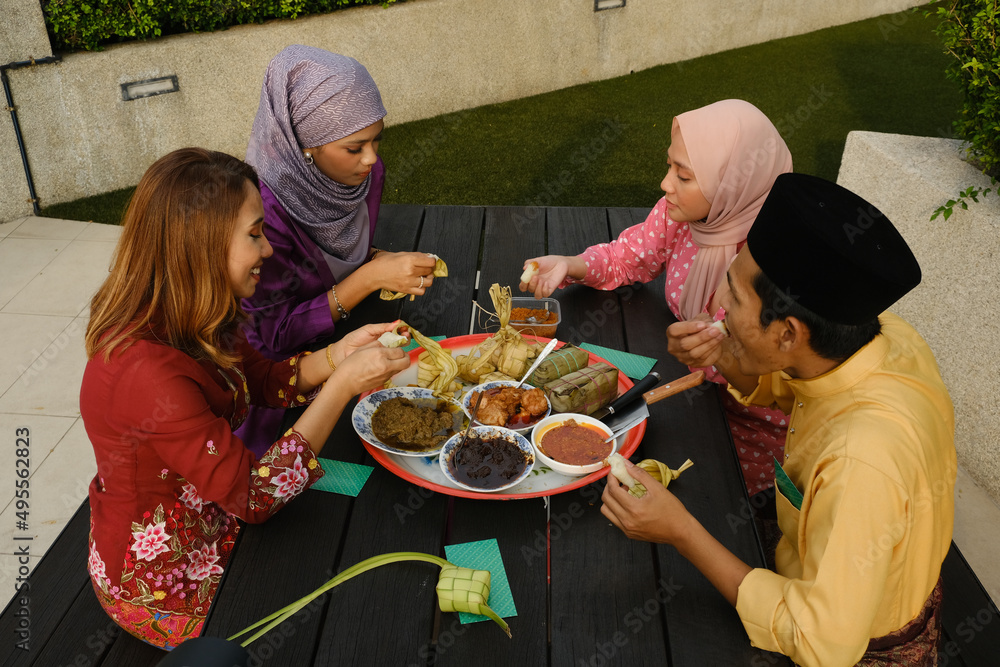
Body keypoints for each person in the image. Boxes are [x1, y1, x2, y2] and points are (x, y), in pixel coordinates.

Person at [602, 173, 956, 666]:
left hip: (851, 637)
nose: (720, 305)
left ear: (788, 333)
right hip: (825, 560)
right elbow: (792, 387)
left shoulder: (863, 460)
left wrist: (679, 530)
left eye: (734, 295)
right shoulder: (883, 335)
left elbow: (820, 642)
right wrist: (721, 353)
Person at [80, 148, 410, 649]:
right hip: (166, 580)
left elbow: (264, 378)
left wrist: (340, 354)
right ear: (202, 245)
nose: (268, 251)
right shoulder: (145, 371)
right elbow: (255, 498)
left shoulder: (197, 310)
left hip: (214, 518)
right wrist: (342, 386)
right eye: (255, 234)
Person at [520, 99, 793, 496]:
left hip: (748, 424)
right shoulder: (681, 215)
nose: (666, 184)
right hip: (683, 388)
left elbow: (778, 374)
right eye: (670, 167)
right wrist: (570, 263)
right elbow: (628, 258)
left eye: (683, 176)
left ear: (733, 185)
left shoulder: (771, 256)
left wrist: (720, 358)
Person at [239, 45, 437, 455]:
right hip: (275, 385)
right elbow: (272, 336)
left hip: (349, 344)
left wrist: (377, 260)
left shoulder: (364, 176)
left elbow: (338, 257)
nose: (371, 160)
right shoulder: (263, 216)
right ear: (303, 146)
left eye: (377, 140)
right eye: (354, 147)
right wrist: (368, 278)